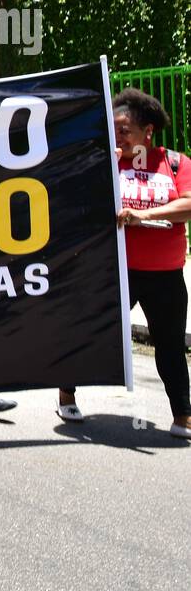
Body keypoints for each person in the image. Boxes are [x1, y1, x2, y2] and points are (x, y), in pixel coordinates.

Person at [89, 87, 191, 438]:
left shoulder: (175, 163)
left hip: (166, 276)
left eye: (125, 129)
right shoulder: (109, 163)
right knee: (94, 332)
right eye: (114, 128)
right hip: (118, 271)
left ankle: (183, 416)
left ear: (148, 132)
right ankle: (66, 391)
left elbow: (187, 207)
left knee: (171, 346)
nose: (117, 135)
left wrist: (143, 214)